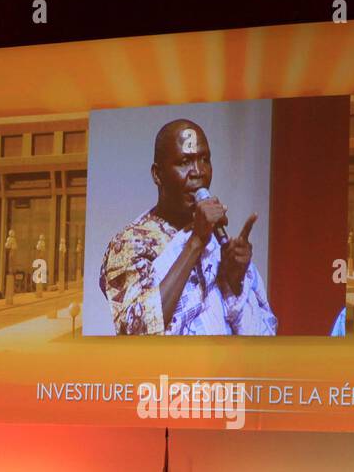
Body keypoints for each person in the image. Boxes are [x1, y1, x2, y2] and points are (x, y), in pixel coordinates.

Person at [100, 118, 277, 336]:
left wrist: (234, 283)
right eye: (185, 161)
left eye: (204, 159)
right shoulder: (130, 243)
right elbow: (135, 334)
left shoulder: (220, 242)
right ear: (158, 174)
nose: (198, 172)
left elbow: (265, 336)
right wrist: (195, 242)